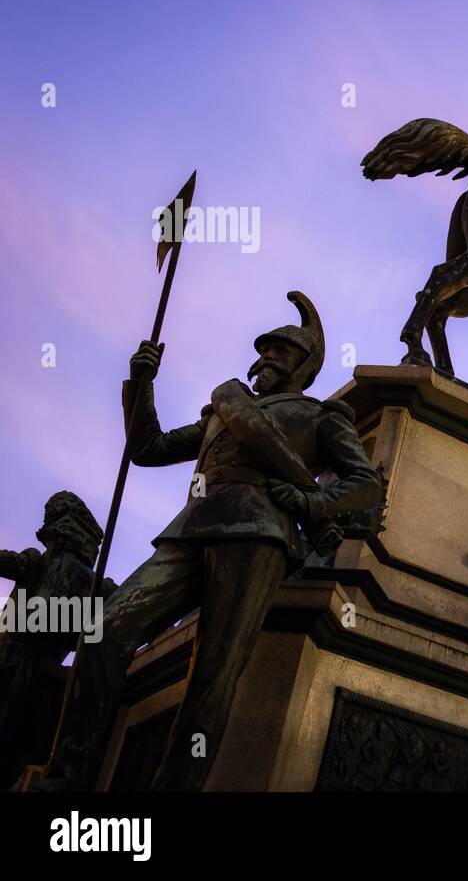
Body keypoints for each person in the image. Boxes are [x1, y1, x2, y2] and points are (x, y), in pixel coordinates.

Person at [38, 292, 383, 791]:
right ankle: (66, 778)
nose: (264, 359)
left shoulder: (320, 417)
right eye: (263, 350)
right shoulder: (223, 411)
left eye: (279, 352)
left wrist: (309, 503)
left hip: (258, 536)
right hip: (192, 528)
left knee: (212, 678)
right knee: (104, 630)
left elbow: (365, 483)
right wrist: (142, 383)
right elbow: (147, 448)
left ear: (304, 365)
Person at [0, 492, 115, 787]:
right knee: (19, 754)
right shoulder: (99, 586)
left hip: (14, 665)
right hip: (49, 679)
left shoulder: (41, 561)